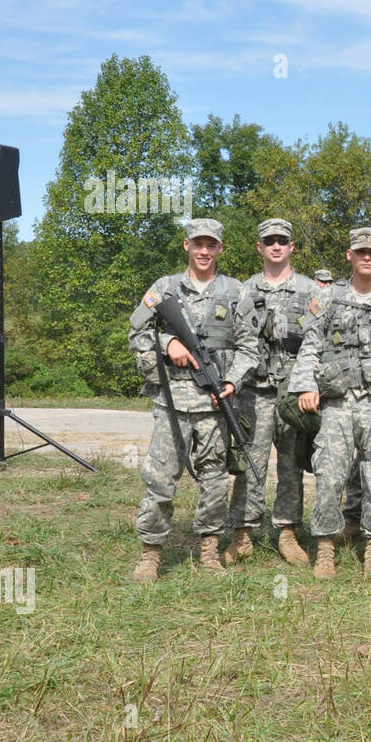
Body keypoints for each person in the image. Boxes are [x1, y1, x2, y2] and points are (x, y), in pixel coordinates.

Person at [128, 218, 258, 583]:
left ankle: (209, 551)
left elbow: (251, 347)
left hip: (216, 404)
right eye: (197, 244)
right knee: (160, 480)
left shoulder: (236, 292)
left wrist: (232, 381)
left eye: (211, 245)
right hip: (172, 404)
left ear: (220, 249)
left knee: (215, 479)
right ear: (187, 246)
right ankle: (151, 555)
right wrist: (166, 343)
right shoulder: (165, 288)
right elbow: (137, 332)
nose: (204, 251)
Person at [287, 227, 371, 579]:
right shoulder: (327, 299)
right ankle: (326, 548)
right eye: (360, 251)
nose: (366, 257)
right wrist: (304, 387)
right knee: (330, 476)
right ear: (349, 255)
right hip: (337, 403)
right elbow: (310, 344)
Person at [225, 218, 320, 568]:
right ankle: (243, 534)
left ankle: (287, 533)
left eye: (283, 240)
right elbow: (235, 340)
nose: (276, 246)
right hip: (254, 390)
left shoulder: (311, 290)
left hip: (292, 392)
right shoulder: (243, 290)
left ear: (292, 246)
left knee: (292, 464)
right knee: (250, 462)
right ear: (260, 247)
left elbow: (318, 340)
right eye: (270, 241)